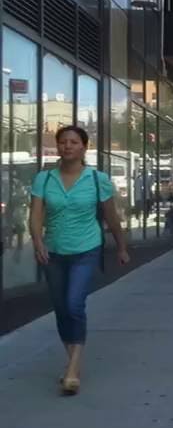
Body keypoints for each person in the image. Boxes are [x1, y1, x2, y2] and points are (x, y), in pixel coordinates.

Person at [28, 125, 129, 395]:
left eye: (73, 142)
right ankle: (72, 359)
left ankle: (73, 367)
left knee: (74, 303)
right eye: (63, 142)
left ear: (84, 147)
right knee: (61, 308)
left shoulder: (97, 179)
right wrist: (37, 242)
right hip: (53, 251)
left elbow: (111, 217)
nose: (67, 146)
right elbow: (36, 215)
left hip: (86, 249)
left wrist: (121, 247)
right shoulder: (44, 179)